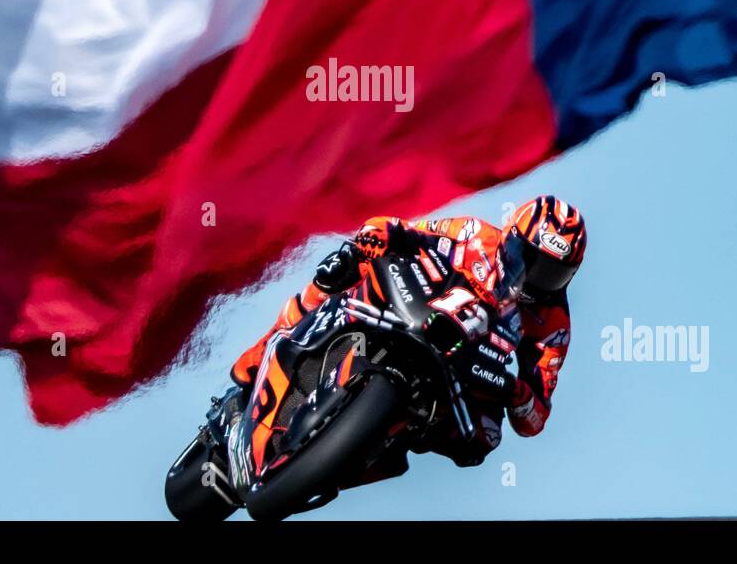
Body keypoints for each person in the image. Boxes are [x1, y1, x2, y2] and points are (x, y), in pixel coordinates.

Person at [229, 195, 586, 465]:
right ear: (511, 238)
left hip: (467, 366)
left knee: (485, 440)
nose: (534, 277)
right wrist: (376, 235)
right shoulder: (475, 235)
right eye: (529, 258)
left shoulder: (555, 325)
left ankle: (371, 444)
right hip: (416, 310)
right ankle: (262, 355)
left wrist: (519, 392)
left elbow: (535, 418)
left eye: (552, 273)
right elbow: (409, 232)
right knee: (340, 270)